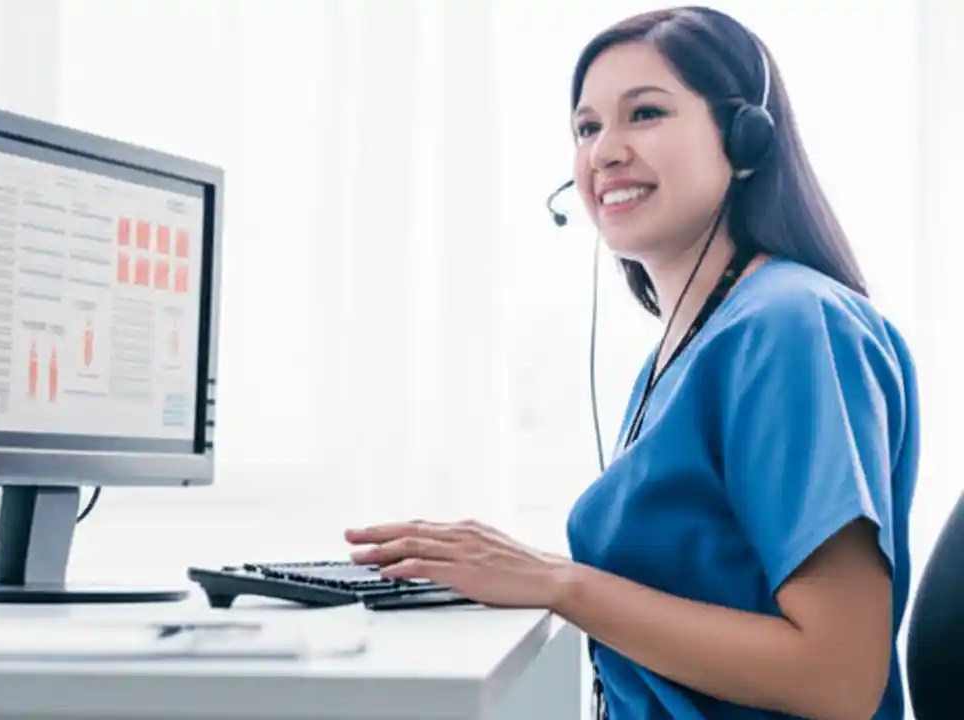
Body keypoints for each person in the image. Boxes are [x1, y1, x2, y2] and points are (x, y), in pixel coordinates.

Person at [343, 6, 919, 719]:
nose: (604, 151)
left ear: (745, 140)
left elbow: (838, 678)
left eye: (644, 113)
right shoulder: (688, 347)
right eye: (587, 128)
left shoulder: (791, 327)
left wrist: (560, 581)